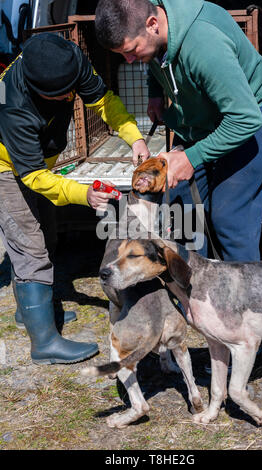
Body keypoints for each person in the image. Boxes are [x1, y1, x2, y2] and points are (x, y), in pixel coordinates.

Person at [0, 32, 150, 365]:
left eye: (72, 88)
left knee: (49, 235)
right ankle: (44, 344)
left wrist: (135, 138)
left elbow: (104, 101)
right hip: (6, 168)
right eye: (62, 94)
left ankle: (30, 315)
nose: (71, 96)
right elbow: (33, 177)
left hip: (38, 163)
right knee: (29, 246)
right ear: (36, 88)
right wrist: (83, 194)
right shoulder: (11, 103)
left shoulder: (68, 60)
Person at [95, 0, 262, 261]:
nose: (130, 60)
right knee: (182, 213)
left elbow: (245, 118)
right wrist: (156, 93)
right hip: (195, 116)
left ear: (152, 24)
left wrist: (191, 158)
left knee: (229, 219)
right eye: (122, 55)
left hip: (242, 118)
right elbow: (156, 57)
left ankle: (239, 299)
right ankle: (193, 296)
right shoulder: (154, 24)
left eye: (132, 50)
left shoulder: (204, 45)